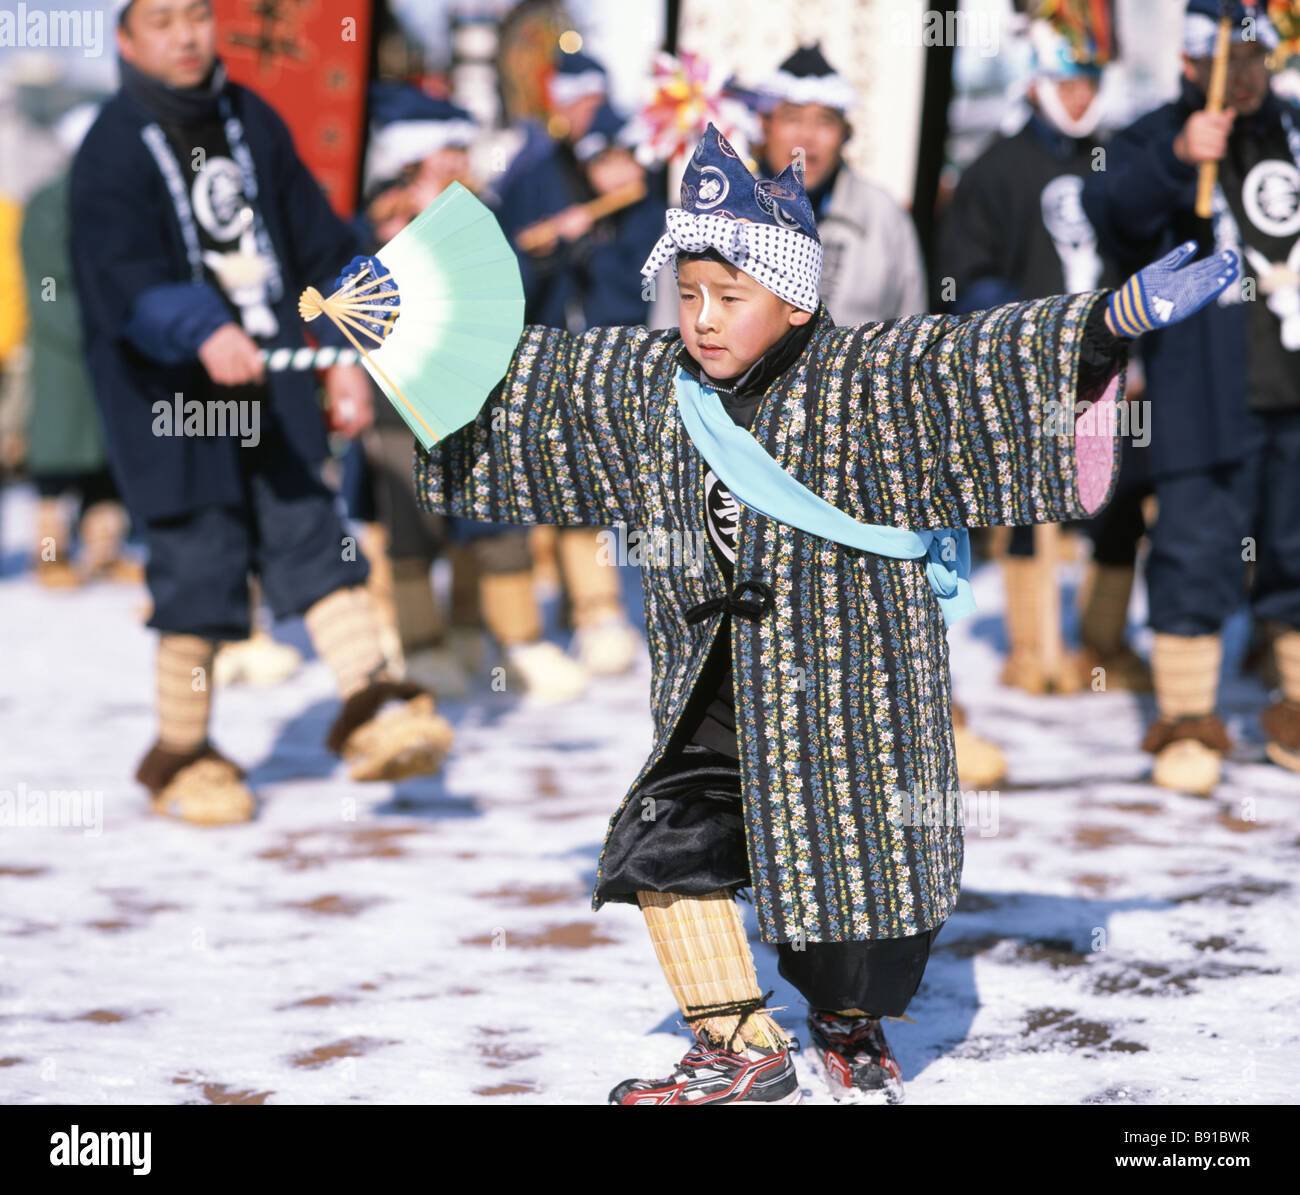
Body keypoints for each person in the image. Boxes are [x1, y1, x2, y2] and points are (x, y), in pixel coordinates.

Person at [414, 122, 1236, 1102]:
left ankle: (846, 1020)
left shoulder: (865, 378)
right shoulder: (646, 383)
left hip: (850, 680)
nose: (703, 319)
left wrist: (1105, 322)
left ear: (797, 300)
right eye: (688, 295)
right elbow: (532, 381)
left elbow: (970, 359)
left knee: (849, 876)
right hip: (712, 682)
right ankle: (736, 1043)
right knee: (663, 842)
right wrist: (413, 339)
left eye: (731, 296)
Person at [69, 0, 453, 824]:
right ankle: (186, 758)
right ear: (126, 38)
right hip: (170, 405)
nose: (185, 36)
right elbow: (123, 280)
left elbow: (320, 241)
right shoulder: (108, 148)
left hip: (274, 387)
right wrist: (201, 326)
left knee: (315, 537)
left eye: (198, 15)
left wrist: (354, 342)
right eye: (163, 21)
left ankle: (376, 707)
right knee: (200, 574)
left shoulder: (251, 118)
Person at [1083, 0, 1300, 794]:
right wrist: (1177, 157)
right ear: (1190, 64)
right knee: (1196, 549)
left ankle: (1294, 707)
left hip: (1293, 386)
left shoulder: (1292, 129)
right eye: (1226, 61)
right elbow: (1113, 214)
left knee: (1293, 548)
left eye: (1254, 59)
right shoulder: (1151, 136)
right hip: (1202, 391)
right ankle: (1186, 717)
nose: (1242, 76)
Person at [939, 9, 1151, 698]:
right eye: (1067, 76)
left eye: (1090, 78)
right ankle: (1034, 648)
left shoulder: (1120, 160)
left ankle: (1100, 641)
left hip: (1114, 367)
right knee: (1034, 504)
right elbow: (964, 270)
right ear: (1036, 79)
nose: (1081, 93)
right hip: (1031, 369)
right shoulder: (996, 168)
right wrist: (1015, 332)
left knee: (1118, 502)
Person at [490, 47, 665, 680]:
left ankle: (603, 612)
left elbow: (649, 281)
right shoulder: (532, 172)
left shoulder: (644, 180)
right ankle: (578, 612)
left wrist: (610, 234)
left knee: (606, 487)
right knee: (561, 487)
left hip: (617, 353)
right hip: (548, 350)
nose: (577, 112)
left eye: (586, 98)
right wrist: (548, 253)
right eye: (566, 101)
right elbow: (508, 267)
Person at [21, 104, 142, 590]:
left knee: (105, 455)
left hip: (112, 342)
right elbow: (46, 281)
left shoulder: (117, 197)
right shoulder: (51, 201)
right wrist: (97, 328)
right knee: (59, 457)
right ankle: (49, 553)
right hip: (66, 349)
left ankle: (104, 550)